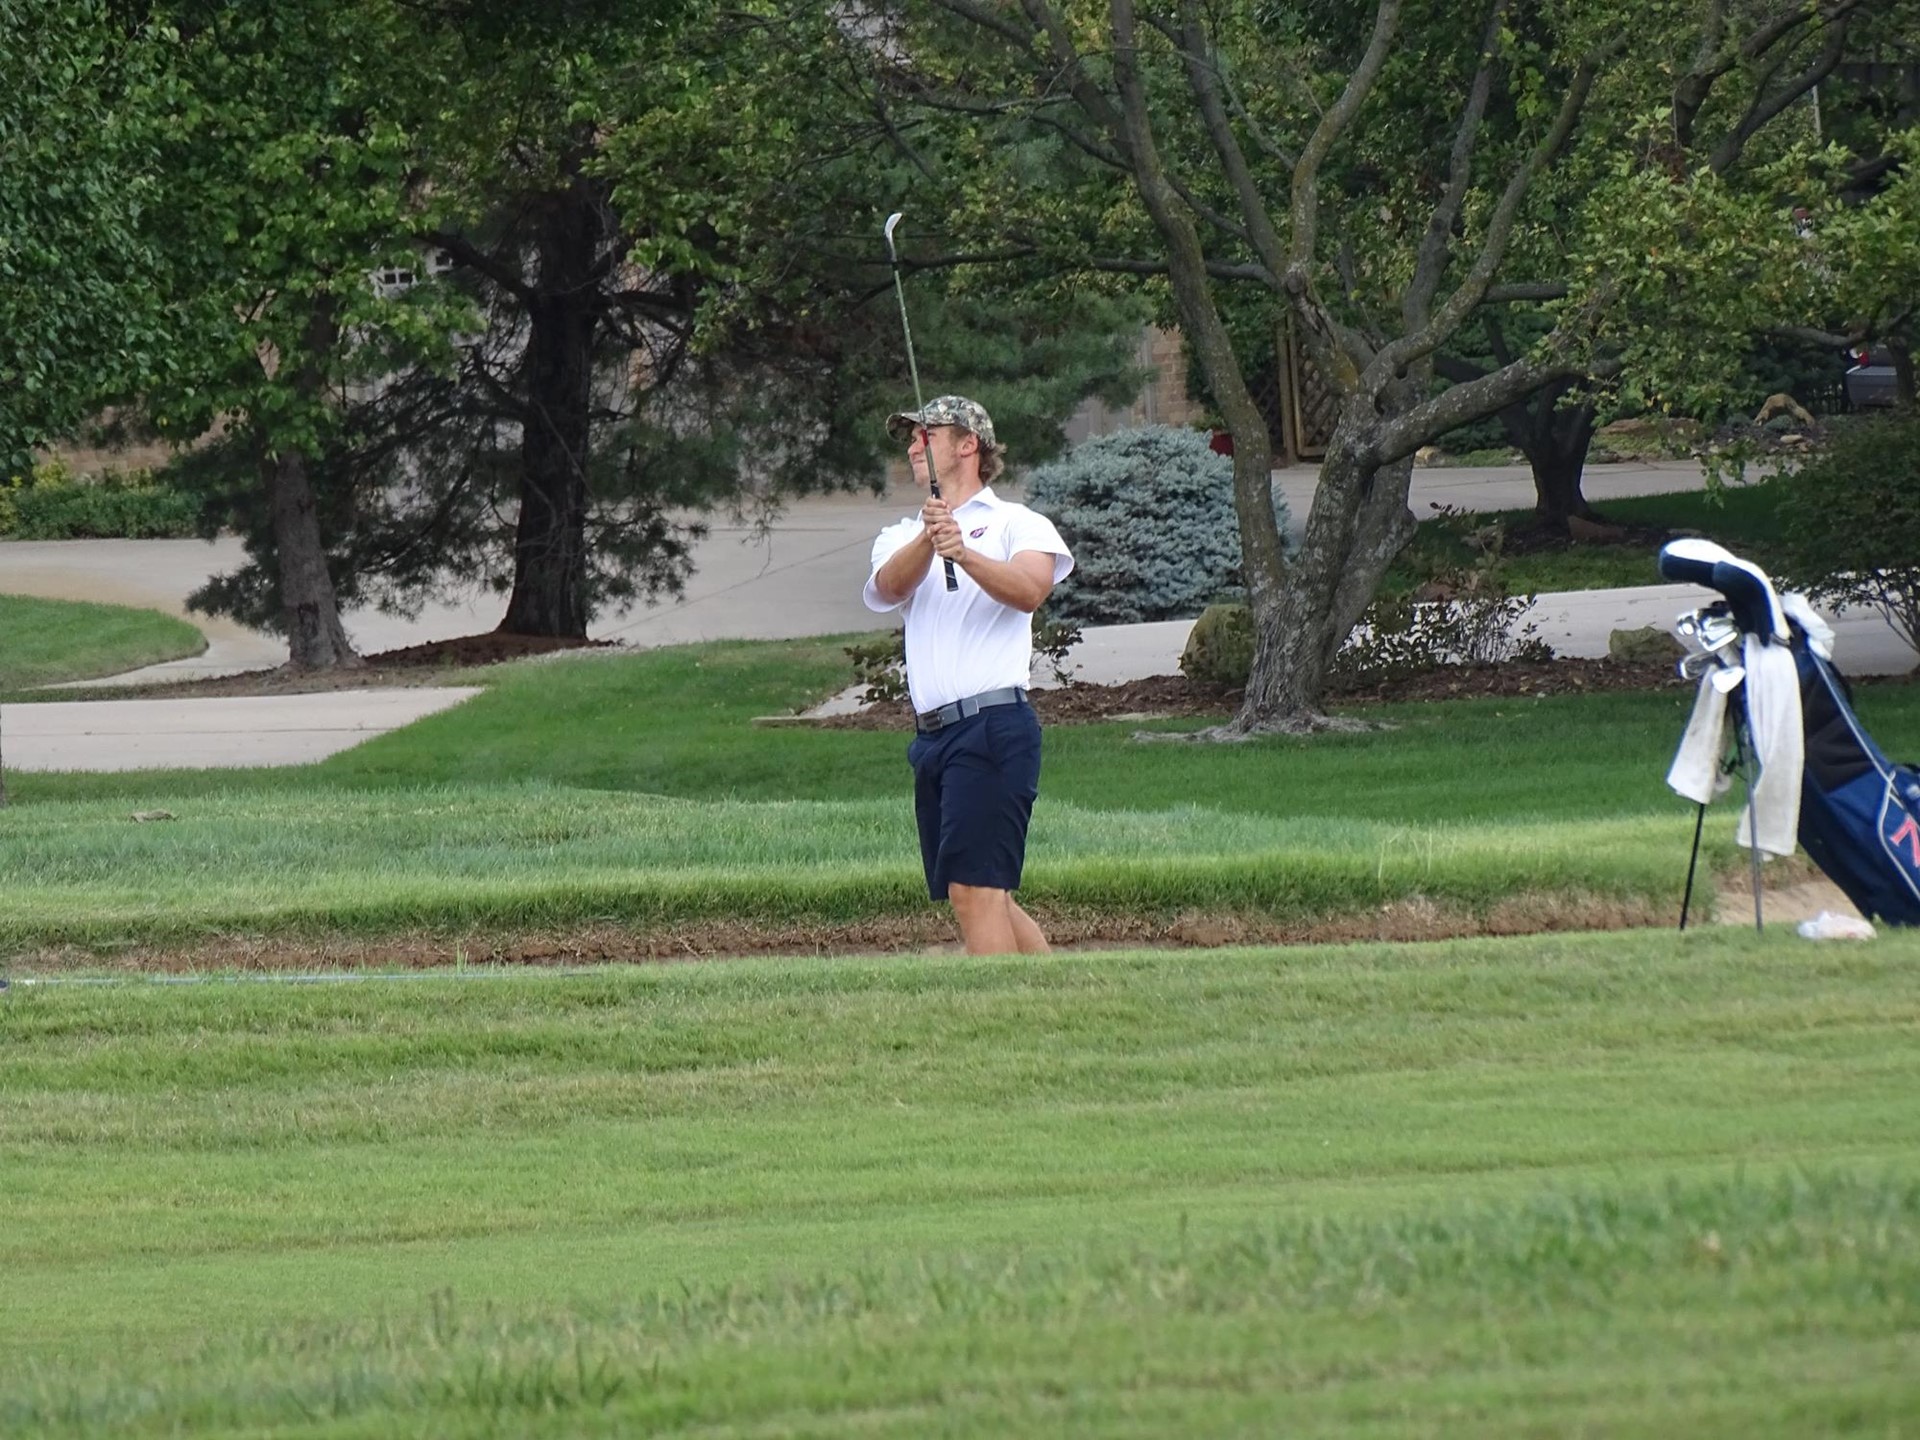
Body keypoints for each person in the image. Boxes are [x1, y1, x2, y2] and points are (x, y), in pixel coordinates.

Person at [863, 395, 1074, 955]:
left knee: (974, 890)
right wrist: (932, 541)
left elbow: (1029, 590)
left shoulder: (1018, 523)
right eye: (911, 436)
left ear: (968, 445)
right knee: (990, 893)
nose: (912, 445)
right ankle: (1061, 1000)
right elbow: (889, 587)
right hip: (933, 738)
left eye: (926, 434)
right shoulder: (904, 535)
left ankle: (1001, 1019)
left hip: (993, 725)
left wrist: (965, 553)